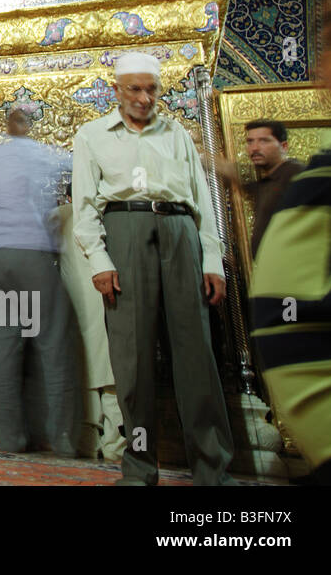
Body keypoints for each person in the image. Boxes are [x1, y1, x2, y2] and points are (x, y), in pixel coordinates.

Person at [71, 50, 236, 485]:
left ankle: (212, 470)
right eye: (135, 89)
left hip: (180, 232)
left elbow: (202, 199)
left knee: (196, 357)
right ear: (116, 90)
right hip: (125, 233)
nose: (144, 98)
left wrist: (212, 259)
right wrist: (100, 260)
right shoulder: (91, 135)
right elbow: (85, 206)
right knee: (134, 362)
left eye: (152, 89)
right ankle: (140, 467)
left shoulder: (177, 133)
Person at [250, 0, 331, 483]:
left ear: (284, 144)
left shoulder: (306, 176)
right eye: (329, 42)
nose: (324, 68)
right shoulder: (281, 183)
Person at [0, 108, 75, 456]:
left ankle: (10, 438)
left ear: (6, 127)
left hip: (1, 262)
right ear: (28, 126)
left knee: (3, 350)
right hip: (34, 256)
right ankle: (62, 440)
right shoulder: (43, 152)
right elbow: (75, 162)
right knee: (53, 348)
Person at [55, 194, 126, 462]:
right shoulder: (107, 212)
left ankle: (87, 443)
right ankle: (115, 446)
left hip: (79, 305)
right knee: (112, 374)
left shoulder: (60, 215)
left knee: (86, 370)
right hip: (111, 297)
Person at [211, 120, 305, 258]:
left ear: (284, 146)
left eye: (264, 141)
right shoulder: (265, 181)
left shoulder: (296, 174)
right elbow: (231, 170)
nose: (254, 148)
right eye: (250, 142)